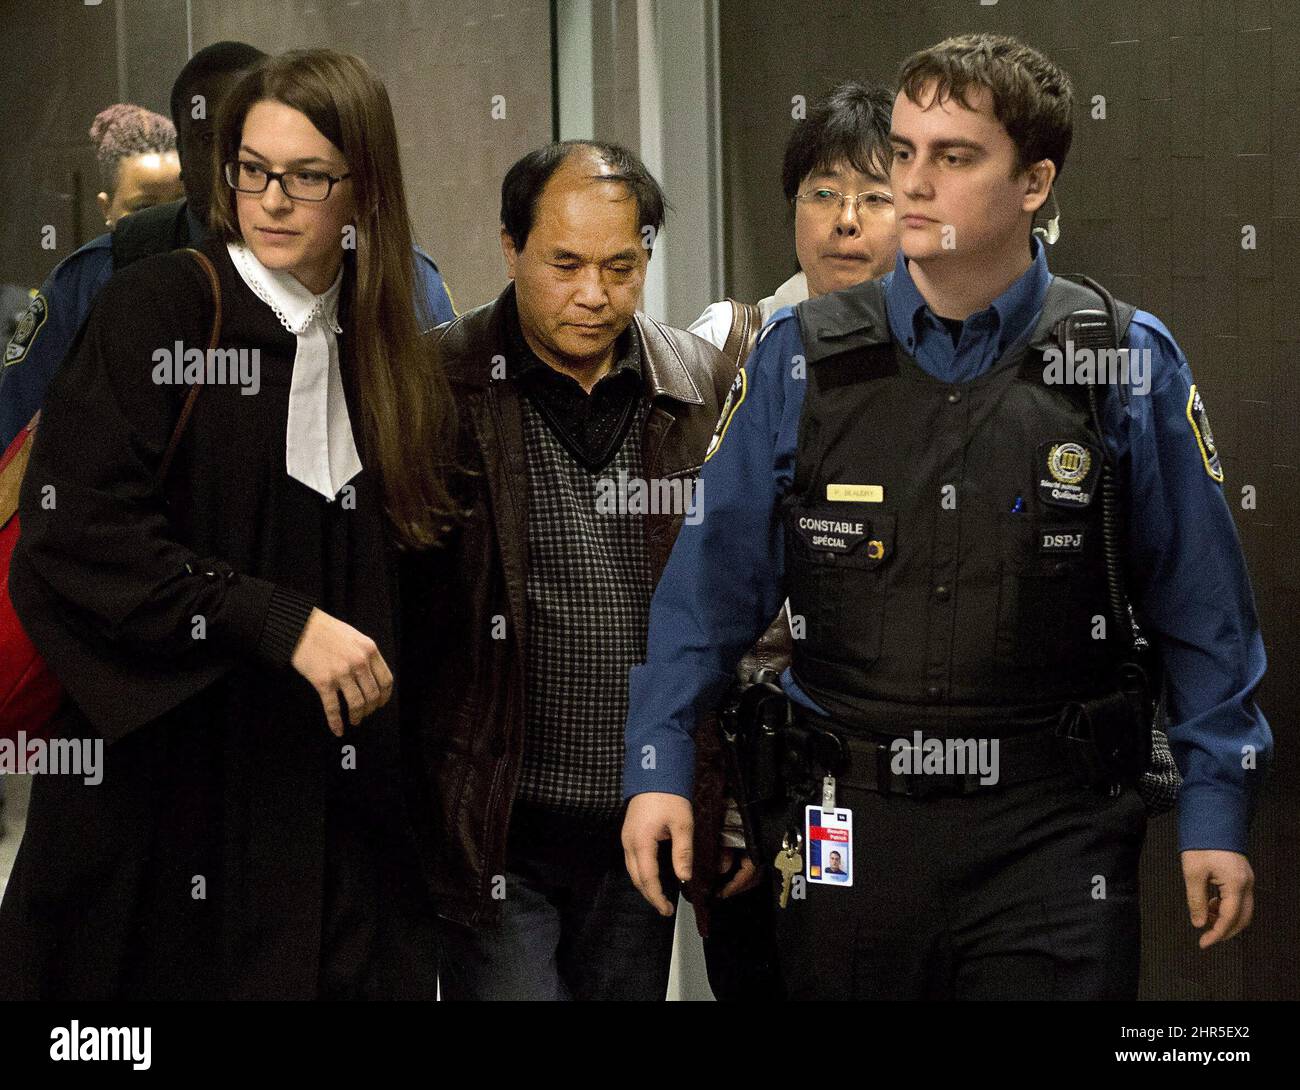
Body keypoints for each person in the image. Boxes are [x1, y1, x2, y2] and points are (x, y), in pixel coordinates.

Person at [622, 33, 1270, 1000]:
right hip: (849, 819)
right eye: (905, 150)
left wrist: (1216, 810)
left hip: (1050, 835)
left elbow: (1206, 614)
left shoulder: (1120, 361)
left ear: (1035, 182)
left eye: (954, 156)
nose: (912, 182)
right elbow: (703, 599)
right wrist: (660, 762)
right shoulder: (804, 356)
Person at [0, 47, 459, 1000]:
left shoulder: (388, 344)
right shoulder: (158, 310)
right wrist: (274, 619)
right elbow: (75, 539)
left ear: (362, 187)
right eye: (252, 170)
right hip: (166, 805)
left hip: (337, 826)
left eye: (306, 177)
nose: (272, 199)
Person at [412, 140, 734, 1001]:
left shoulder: (699, 384)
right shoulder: (435, 383)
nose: (594, 295)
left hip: (641, 818)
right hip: (494, 823)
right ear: (510, 248)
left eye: (621, 267)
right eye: (564, 263)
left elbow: (733, 602)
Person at [685, 79, 898, 1003]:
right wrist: (715, 792)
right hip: (751, 748)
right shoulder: (726, 344)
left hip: (888, 751)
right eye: (821, 192)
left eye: (874, 195)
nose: (845, 222)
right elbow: (683, 578)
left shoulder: (955, 357)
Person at [0, 41, 457, 450]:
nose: (268, 195)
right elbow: (22, 447)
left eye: (306, 174)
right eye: (212, 142)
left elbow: (443, 439)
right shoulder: (112, 276)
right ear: (182, 151)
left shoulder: (398, 277)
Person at [88, 104, 183, 230]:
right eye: (144, 208)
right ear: (106, 208)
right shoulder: (95, 250)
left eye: (181, 205)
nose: (169, 224)